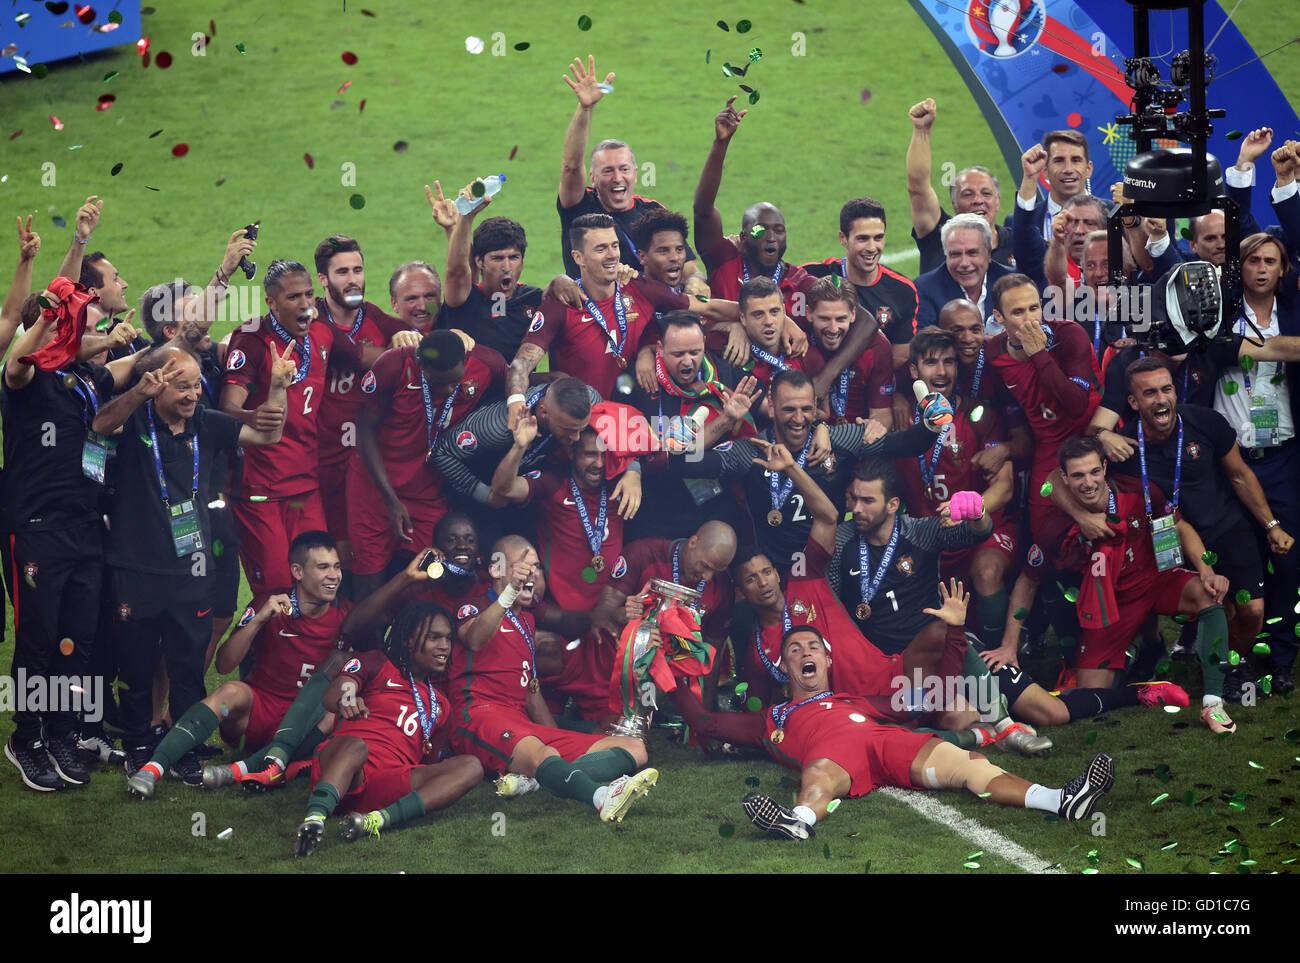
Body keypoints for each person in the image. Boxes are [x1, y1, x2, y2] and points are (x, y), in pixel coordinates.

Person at [93, 342, 291, 785]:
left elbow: (268, 435)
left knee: (186, 666)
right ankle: (138, 743)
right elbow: (101, 424)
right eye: (181, 386)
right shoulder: (135, 420)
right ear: (157, 384)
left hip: (192, 570)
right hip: (136, 568)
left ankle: (181, 745)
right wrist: (137, 395)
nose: (193, 394)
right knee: (137, 664)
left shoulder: (206, 423)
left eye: (197, 385)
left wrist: (277, 387)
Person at [740, 624, 1115, 840]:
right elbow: (708, 722)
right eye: (795, 649)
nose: (806, 652)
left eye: (813, 647)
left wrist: (954, 631)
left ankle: (1061, 800)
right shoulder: (769, 718)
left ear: (827, 659)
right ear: (784, 666)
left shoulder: (856, 700)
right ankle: (799, 820)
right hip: (835, 757)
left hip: (885, 743)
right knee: (819, 773)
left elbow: (930, 696)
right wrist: (681, 664)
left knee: (971, 765)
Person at [126, 530, 352, 797]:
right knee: (230, 691)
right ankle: (152, 769)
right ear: (298, 571)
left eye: (336, 567)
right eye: (323, 567)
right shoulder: (269, 603)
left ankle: (243, 769)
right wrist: (258, 621)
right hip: (257, 715)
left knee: (330, 713)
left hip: (306, 722)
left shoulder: (348, 617)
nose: (334, 575)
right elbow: (224, 664)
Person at [450, 535, 659, 821]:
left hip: (520, 720)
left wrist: (557, 737)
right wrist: (509, 593)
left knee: (635, 749)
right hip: (480, 714)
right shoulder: (472, 606)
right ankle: (601, 797)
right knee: (542, 753)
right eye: (521, 566)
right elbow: (475, 639)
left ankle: (537, 779)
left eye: (535, 567)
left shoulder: (527, 618)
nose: (531, 573)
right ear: (497, 570)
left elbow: (532, 693)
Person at [1045, 437, 1238, 733]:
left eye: (1094, 472)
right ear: (1064, 478)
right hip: (1114, 605)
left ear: (1105, 467)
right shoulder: (1057, 520)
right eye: (1078, 475)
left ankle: (1213, 703)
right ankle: (1143, 683)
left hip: (1156, 581)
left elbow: (1177, 526)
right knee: (1090, 693)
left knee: (1208, 594)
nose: (1088, 482)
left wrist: (1206, 570)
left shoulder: (1139, 492)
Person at [670, 369, 948, 574]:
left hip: (834, 569)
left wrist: (931, 423)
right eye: (789, 409)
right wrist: (727, 418)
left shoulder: (841, 439)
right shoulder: (752, 451)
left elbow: (911, 444)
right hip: (774, 574)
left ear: (816, 405)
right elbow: (684, 463)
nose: (799, 419)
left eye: (806, 409)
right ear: (772, 404)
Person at [220, 259, 369, 594]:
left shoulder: (321, 334)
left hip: (305, 487)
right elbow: (227, 407)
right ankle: (260, 646)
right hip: (260, 490)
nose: (304, 304)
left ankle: (304, 647)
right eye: (293, 297)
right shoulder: (251, 338)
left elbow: (363, 356)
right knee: (275, 586)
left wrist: (415, 345)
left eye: (308, 295)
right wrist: (249, 416)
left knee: (317, 583)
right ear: (271, 302)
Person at [295, 601, 483, 856]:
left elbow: (427, 764)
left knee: (471, 766)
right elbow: (335, 693)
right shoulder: (377, 663)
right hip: (346, 770)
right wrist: (347, 699)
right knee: (355, 746)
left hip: (388, 782)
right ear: (407, 639)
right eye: (434, 637)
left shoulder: (441, 705)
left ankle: (377, 820)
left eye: (448, 639)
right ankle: (314, 819)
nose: (445, 647)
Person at [488, 421, 637, 721]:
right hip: (559, 618)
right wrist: (520, 445)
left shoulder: (621, 482)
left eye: (604, 455)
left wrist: (635, 470)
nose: (598, 463)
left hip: (603, 625)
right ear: (571, 452)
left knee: (612, 726)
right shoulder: (553, 483)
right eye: (588, 455)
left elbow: (660, 446)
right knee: (542, 697)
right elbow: (502, 488)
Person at [349, 330, 504, 600]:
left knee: (432, 577)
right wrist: (390, 500)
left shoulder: (487, 363)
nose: (447, 390)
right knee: (369, 580)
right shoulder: (393, 365)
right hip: (373, 487)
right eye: (438, 383)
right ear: (422, 364)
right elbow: (365, 431)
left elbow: (515, 387)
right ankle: (370, 642)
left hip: (427, 490)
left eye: (454, 382)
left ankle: (417, 636)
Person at [509, 213, 731, 400]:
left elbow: (708, 308)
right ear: (578, 258)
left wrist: (745, 319)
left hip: (632, 418)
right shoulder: (561, 303)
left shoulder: (640, 289)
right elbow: (520, 365)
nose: (612, 255)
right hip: (581, 421)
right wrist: (517, 403)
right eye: (601, 249)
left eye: (614, 246)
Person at [1213, 233, 1299, 689]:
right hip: (1230, 458)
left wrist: (1264, 348)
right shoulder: (1221, 315)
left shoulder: (1294, 311)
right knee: (1235, 561)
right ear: (1239, 267)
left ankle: (1281, 655)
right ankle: (1238, 656)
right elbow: (1217, 349)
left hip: (1283, 455)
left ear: (1284, 270)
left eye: (1271, 261)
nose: (1262, 268)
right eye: (1253, 260)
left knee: (1287, 559)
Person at [894, 327, 1018, 643]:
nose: (941, 372)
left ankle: (999, 660)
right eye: (931, 362)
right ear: (913, 370)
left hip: (981, 530)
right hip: (928, 536)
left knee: (986, 572)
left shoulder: (979, 416)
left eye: (949, 362)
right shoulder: (899, 417)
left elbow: (1004, 488)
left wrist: (970, 512)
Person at [312, 235, 416, 566]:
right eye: (342, 272)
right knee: (321, 562)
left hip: (364, 463)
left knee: (359, 561)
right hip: (315, 464)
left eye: (358, 269)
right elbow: (352, 354)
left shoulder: (377, 320)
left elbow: (425, 345)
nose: (353, 278)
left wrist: (410, 338)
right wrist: (397, 352)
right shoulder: (307, 318)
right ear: (323, 280)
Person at [556, 55, 699, 280]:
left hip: (650, 311)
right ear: (592, 178)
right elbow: (571, 167)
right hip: (590, 310)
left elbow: (688, 264)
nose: (617, 178)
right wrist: (585, 108)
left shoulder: (653, 212)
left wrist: (694, 282)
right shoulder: (580, 207)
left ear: (635, 173)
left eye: (624, 169)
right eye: (607, 171)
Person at [693, 96, 816, 318]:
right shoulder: (725, 261)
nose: (771, 237)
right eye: (761, 230)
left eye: (779, 231)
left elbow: (856, 316)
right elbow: (703, 210)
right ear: (742, 238)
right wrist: (721, 144)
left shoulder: (799, 283)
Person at [430, 374, 605, 510]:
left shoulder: (591, 400)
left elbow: (616, 426)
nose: (576, 438)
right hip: (481, 484)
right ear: (543, 413)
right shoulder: (497, 428)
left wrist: (632, 471)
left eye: (580, 429)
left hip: (527, 486)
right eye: (568, 430)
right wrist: (484, 495)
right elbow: (440, 452)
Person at [433, 178, 545, 363]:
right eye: (498, 258)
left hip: (519, 390)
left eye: (514, 257)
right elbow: (457, 270)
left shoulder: (534, 299)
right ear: (479, 261)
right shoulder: (464, 298)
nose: (507, 267)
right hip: (468, 390)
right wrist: (465, 216)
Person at [799, 198, 914, 370]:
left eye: (878, 238)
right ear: (843, 238)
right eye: (862, 239)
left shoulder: (902, 291)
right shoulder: (810, 276)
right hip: (812, 379)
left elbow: (899, 358)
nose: (872, 247)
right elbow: (764, 298)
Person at [904, 97, 1014, 274]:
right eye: (968, 194)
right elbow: (918, 188)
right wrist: (921, 130)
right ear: (954, 204)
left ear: (998, 201)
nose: (978, 200)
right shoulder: (938, 236)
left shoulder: (1017, 243)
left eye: (986, 193)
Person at [797, 276, 895, 426]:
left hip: (856, 438)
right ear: (809, 314)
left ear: (853, 314)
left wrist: (873, 428)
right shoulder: (797, 340)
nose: (833, 329)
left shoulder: (878, 347)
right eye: (824, 318)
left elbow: (881, 413)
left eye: (841, 319)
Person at [914, 213, 1018, 332]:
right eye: (955, 254)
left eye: (972, 253)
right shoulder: (924, 289)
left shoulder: (1011, 283)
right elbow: (925, 344)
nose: (964, 263)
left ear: (988, 254)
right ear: (946, 255)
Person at [1016, 131, 1094, 241]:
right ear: (1045, 171)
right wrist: (1030, 176)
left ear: (1088, 169)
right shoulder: (1023, 221)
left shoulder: (1112, 214)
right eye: (1059, 161)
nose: (1068, 169)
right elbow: (1023, 254)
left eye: (1076, 160)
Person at [388, 260, 442, 336]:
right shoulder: (383, 342)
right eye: (412, 299)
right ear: (394, 304)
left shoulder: (456, 335)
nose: (423, 307)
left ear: (440, 298)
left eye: (429, 297)